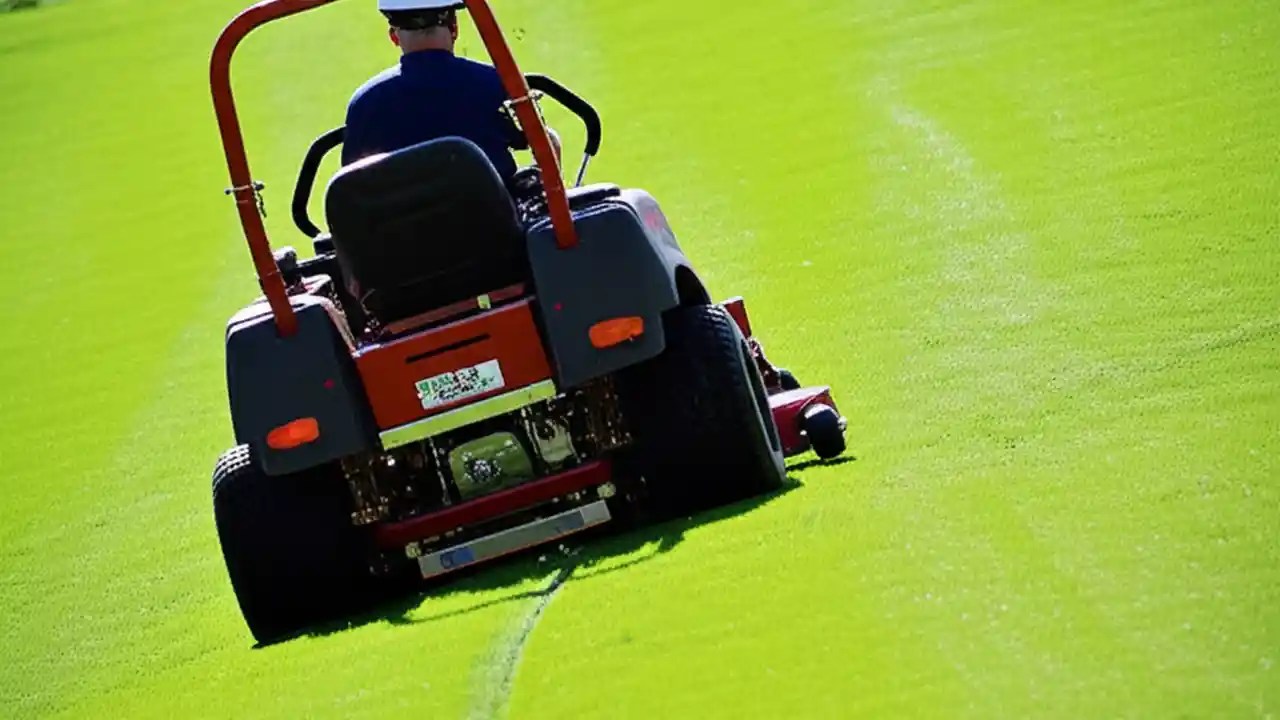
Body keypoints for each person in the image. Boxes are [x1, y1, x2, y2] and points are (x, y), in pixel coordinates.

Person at [341, 0, 559, 183]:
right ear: (454, 28)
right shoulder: (494, 83)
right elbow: (543, 145)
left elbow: (353, 185)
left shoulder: (364, 104)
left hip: (404, 233)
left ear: (394, 37)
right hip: (495, 230)